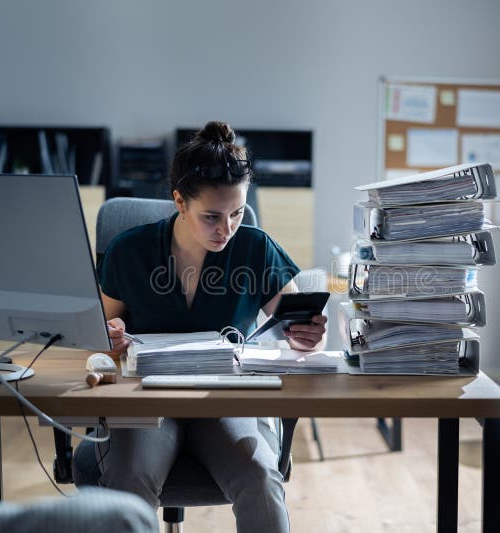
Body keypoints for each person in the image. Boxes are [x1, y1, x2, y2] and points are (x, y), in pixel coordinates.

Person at [96, 121, 326, 532]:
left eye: (237, 212)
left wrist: (304, 336)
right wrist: (107, 336)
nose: (227, 229)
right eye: (212, 216)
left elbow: (290, 324)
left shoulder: (255, 247)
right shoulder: (128, 250)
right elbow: (97, 330)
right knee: (128, 481)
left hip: (224, 398)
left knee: (258, 476)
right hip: (147, 401)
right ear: (180, 202)